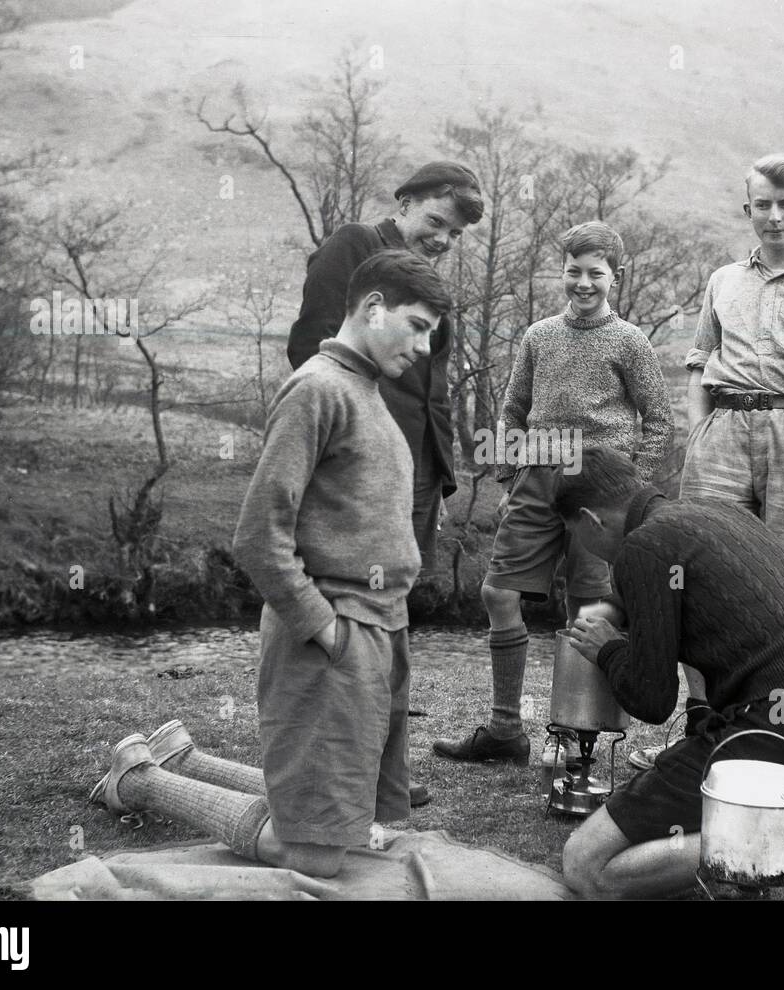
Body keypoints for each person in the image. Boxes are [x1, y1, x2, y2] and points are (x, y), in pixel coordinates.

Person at [90, 251, 453, 877]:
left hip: (382, 629)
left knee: (355, 816)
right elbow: (259, 535)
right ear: (373, 308)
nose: (425, 345)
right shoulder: (317, 389)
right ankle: (144, 780)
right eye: (418, 325)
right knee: (316, 855)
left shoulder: (366, 389)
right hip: (333, 635)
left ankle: (186, 760)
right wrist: (325, 628)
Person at [554, 447, 784, 899]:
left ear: (590, 519)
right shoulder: (712, 511)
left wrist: (607, 650)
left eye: (572, 532)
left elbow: (652, 700)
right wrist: (618, 609)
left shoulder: (643, 546)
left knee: (586, 867)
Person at [633, 152, 784, 770]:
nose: (774, 216)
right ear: (748, 210)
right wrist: (698, 428)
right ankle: (700, 733)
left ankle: (770, 741)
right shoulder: (722, 281)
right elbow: (698, 362)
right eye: (762, 204)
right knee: (696, 578)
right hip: (723, 430)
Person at [432, 221, 674, 765]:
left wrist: (631, 485)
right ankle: (503, 730)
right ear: (561, 270)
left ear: (616, 276)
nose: (583, 283)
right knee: (498, 592)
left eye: (596, 273)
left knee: (590, 609)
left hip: (603, 488)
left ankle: (575, 737)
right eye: (574, 271)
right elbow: (514, 405)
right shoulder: (539, 334)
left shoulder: (631, 341)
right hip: (537, 476)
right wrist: (508, 469)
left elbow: (659, 418)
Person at [287, 160, 484, 807]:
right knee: (356, 618)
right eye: (435, 222)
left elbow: (434, 386)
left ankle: (385, 779)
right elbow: (311, 346)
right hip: (359, 462)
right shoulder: (353, 247)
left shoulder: (424, 288)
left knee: (395, 619)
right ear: (403, 202)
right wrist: (344, 444)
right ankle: (341, 774)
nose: (443, 240)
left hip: (418, 469)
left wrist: (442, 469)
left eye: (454, 235)